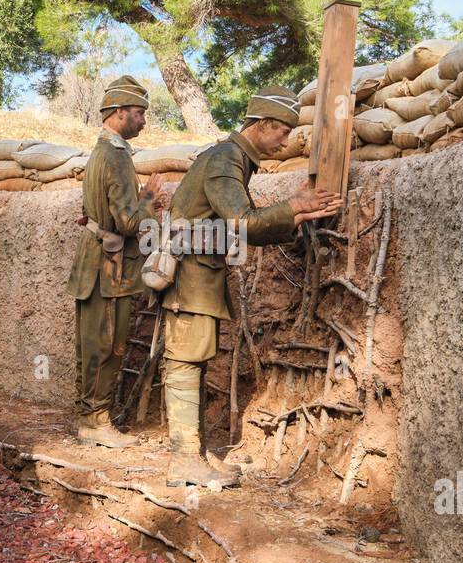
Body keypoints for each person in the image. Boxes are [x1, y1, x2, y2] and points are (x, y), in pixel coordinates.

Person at [160, 85, 342, 487]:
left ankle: (197, 454)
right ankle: (184, 460)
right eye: (282, 132)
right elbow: (242, 222)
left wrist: (292, 212)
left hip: (201, 272)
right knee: (185, 360)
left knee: (195, 358)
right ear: (262, 125)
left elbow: (239, 225)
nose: (286, 141)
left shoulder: (231, 158)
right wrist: (294, 208)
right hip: (191, 274)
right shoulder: (227, 157)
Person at [66, 75, 164, 448]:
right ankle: (96, 422)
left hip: (96, 266)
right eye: (139, 113)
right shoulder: (118, 156)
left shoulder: (99, 152)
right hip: (110, 270)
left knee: (93, 344)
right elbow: (128, 223)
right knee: (108, 345)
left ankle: (88, 418)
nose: (143, 121)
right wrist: (149, 200)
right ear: (119, 112)